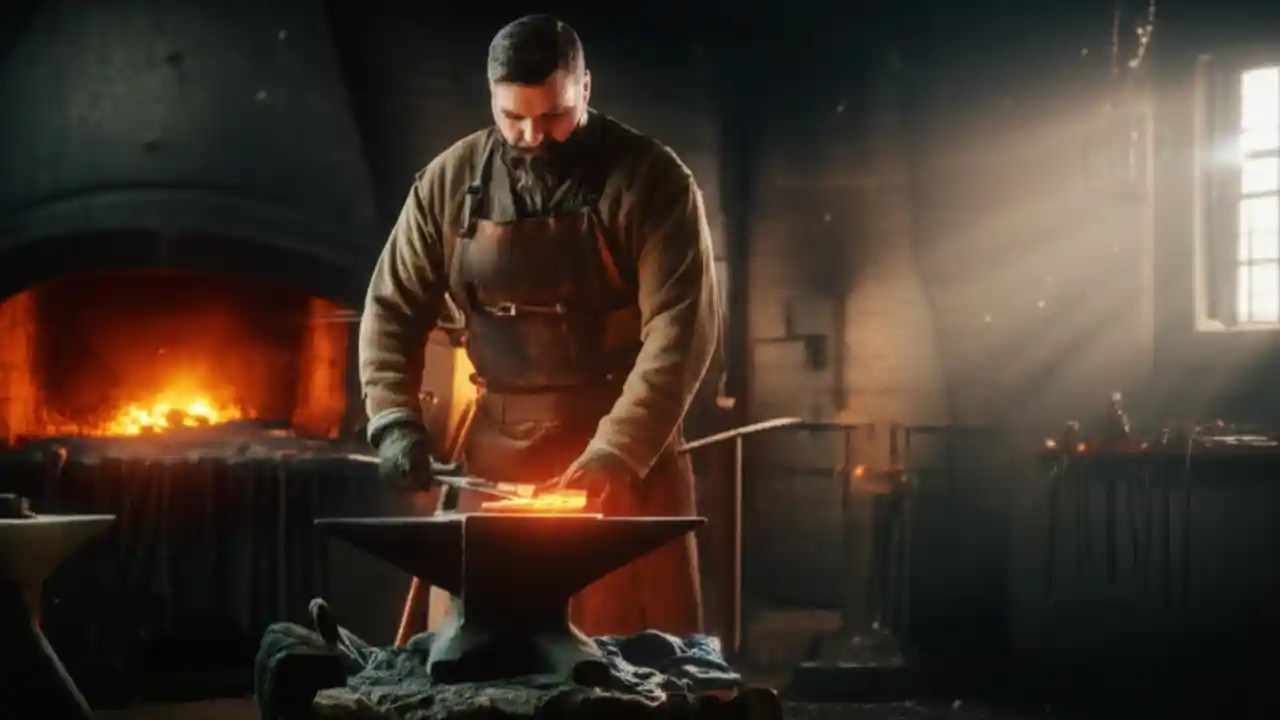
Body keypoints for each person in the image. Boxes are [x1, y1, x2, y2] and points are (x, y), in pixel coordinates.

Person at [358, 14, 720, 636]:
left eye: (553, 116)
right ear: (491, 100)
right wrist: (392, 419)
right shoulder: (449, 182)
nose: (533, 137)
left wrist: (617, 452)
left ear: (585, 88)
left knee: (631, 670)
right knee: (481, 656)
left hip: (626, 457)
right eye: (512, 118)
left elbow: (679, 333)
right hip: (495, 455)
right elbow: (391, 310)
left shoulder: (651, 181)